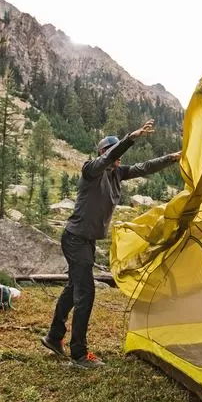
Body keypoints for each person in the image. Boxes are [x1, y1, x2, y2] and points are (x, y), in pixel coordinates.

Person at [41, 118, 181, 369]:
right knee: (86, 293)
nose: (117, 158)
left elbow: (144, 167)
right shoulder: (91, 170)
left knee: (74, 288)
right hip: (75, 239)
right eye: (113, 152)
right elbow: (107, 159)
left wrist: (171, 157)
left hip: (86, 240)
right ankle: (79, 354)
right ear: (104, 154)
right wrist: (131, 138)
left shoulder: (118, 173)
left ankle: (53, 336)